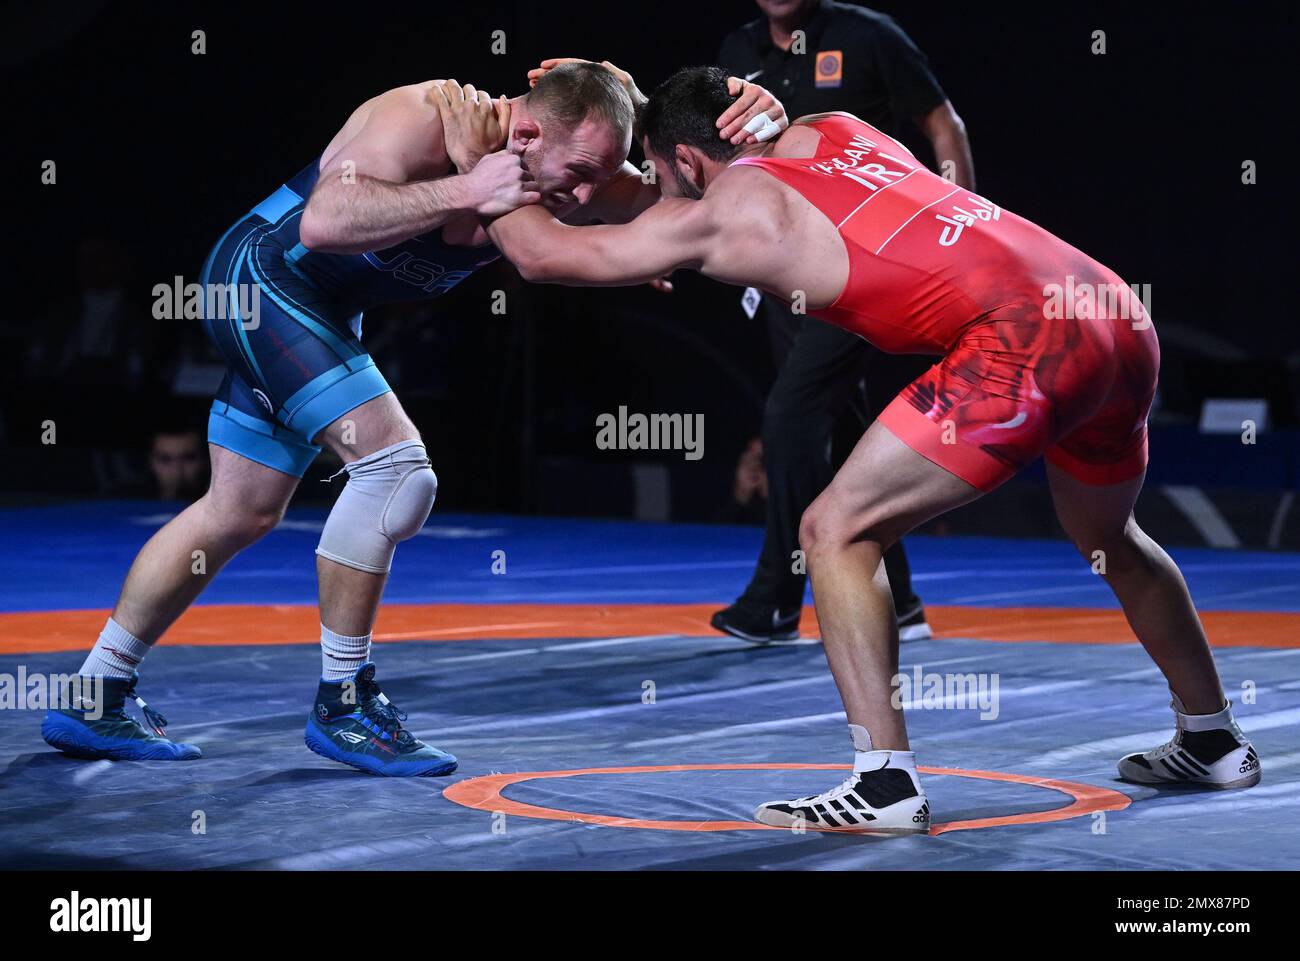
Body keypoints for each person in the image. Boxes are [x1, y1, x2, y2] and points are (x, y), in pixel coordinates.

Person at [468, 67, 1260, 832]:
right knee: (1113, 539)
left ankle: (883, 780)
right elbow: (718, 162)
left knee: (835, 530)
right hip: (1112, 312)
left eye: (659, 170)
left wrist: (479, 165)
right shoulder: (835, 128)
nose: (651, 190)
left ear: (684, 160)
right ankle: (1214, 738)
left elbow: (545, 257)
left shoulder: (721, 213)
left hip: (1021, 341)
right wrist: (642, 97)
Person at [40, 63, 790, 776]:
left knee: (237, 509)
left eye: (602, 175)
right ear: (527, 138)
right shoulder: (422, 116)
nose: (593, 194)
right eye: (583, 174)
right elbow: (327, 221)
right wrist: (465, 186)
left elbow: (697, 208)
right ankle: (344, 702)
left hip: (316, 312)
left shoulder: (561, 169)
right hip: (258, 280)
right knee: (397, 471)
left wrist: (768, 126)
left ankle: (96, 691)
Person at [710, 0, 976, 644]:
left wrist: (960, 218)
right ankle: (902, 600)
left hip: (858, 266)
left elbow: (945, 125)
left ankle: (775, 598)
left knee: (790, 418)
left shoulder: (869, 36)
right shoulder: (736, 52)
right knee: (835, 418)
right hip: (781, 272)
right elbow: (718, 157)